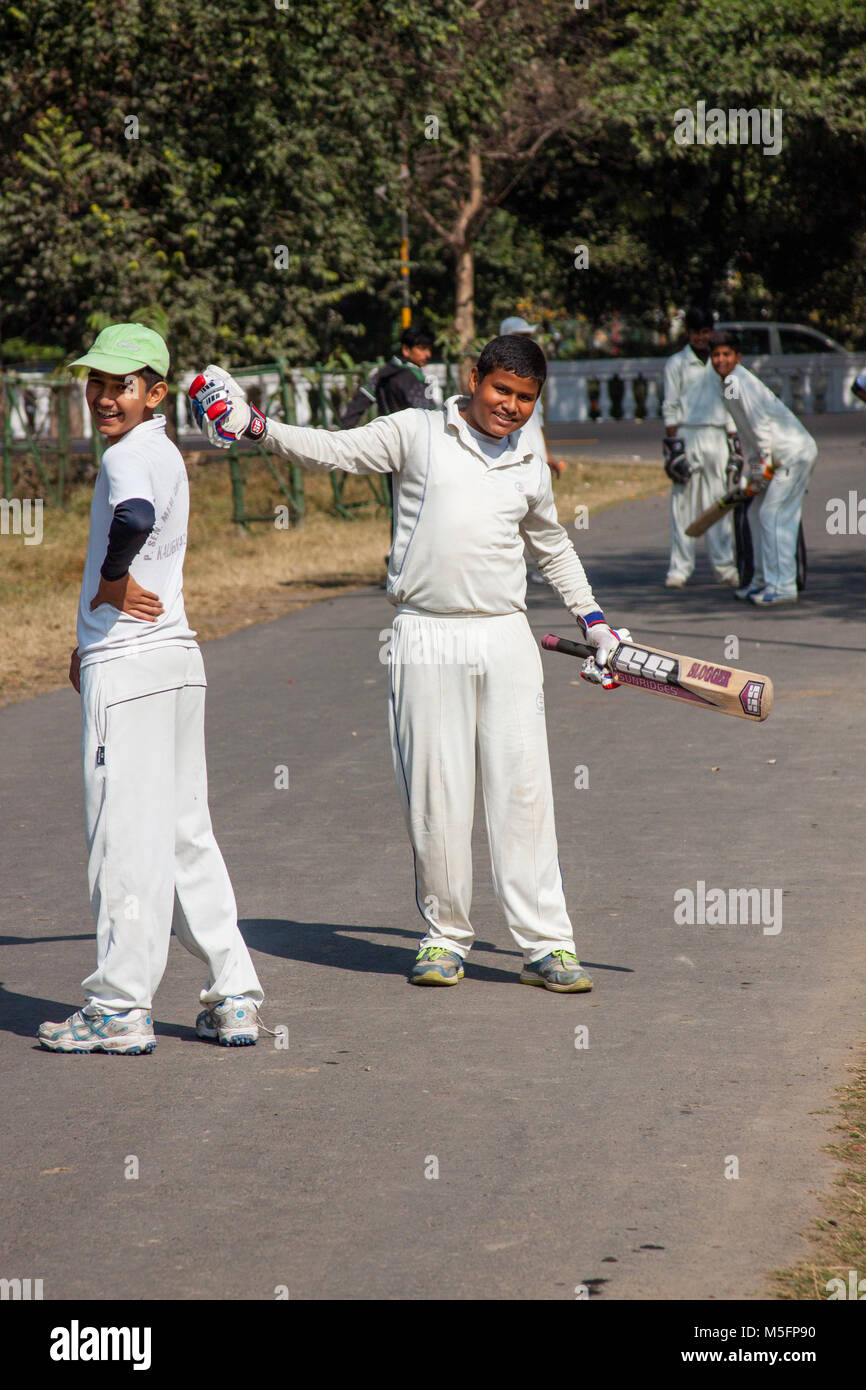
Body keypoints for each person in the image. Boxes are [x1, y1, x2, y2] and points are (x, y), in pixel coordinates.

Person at [190, 337, 628, 993]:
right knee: (437, 792)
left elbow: (551, 545)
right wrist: (259, 428)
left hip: (505, 635)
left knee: (524, 795)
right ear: (473, 378)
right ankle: (444, 938)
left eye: (525, 399)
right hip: (425, 633)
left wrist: (592, 619)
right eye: (501, 390)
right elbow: (336, 451)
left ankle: (547, 946)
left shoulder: (530, 462)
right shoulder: (416, 432)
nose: (510, 406)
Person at [38, 323, 263, 1054]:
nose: (105, 396)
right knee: (183, 835)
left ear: (155, 391)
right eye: (96, 383)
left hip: (130, 674)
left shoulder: (128, 457)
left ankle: (120, 1006)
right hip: (174, 661)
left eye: (121, 384)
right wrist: (90, 638)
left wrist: (107, 584)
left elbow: (132, 520)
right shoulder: (165, 451)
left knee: (124, 844)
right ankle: (233, 994)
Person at [710, 329, 818, 606]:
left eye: (726, 354)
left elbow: (759, 425)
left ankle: (782, 586)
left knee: (773, 514)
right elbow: (746, 433)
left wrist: (764, 465)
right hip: (775, 457)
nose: (720, 359)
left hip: (793, 454)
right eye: (716, 355)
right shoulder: (729, 384)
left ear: (737, 357)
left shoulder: (738, 380)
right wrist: (751, 472)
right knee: (757, 513)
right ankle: (760, 580)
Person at [662, 306, 739, 589]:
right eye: (696, 333)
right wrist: (674, 448)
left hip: (718, 435)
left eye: (706, 332)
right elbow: (670, 406)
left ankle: (725, 566)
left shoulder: (721, 362)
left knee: (719, 503)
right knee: (682, 505)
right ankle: (680, 568)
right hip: (687, 433)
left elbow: (732, 405)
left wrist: (735, 443)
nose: (701, 338)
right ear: (688, 333)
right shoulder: (676, 364)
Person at [499, 316, 565, 479]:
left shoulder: (532, 377)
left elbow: (537, 422)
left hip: (537, 462)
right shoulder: (498, 377)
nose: (527, 343)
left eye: (528, 338)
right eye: (521, 337)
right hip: (516, 464)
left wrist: (546, 454)